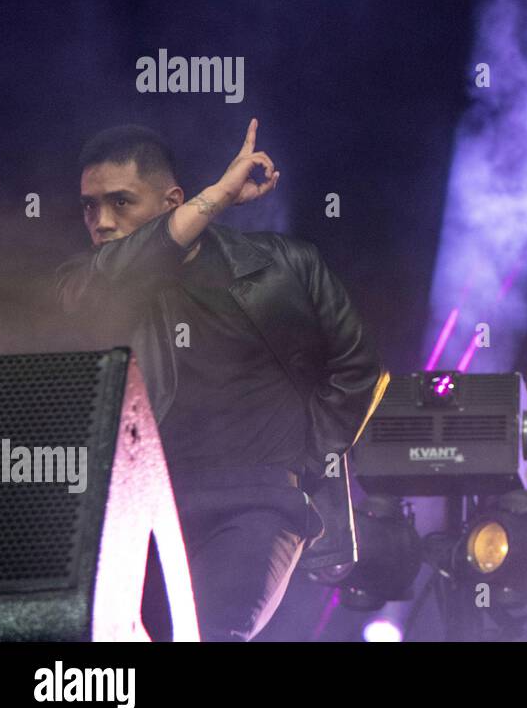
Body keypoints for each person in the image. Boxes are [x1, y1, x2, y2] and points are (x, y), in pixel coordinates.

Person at [56, 119, 388, 641]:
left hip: (257, 500)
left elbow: (356, 368)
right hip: (140, 509)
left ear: (172, 201)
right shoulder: (88, 285)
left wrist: (302, 455)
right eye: (89, 207)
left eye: (120, 202)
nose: (100, 221)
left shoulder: (284, 266)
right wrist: (217, 197)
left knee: (211, 635)